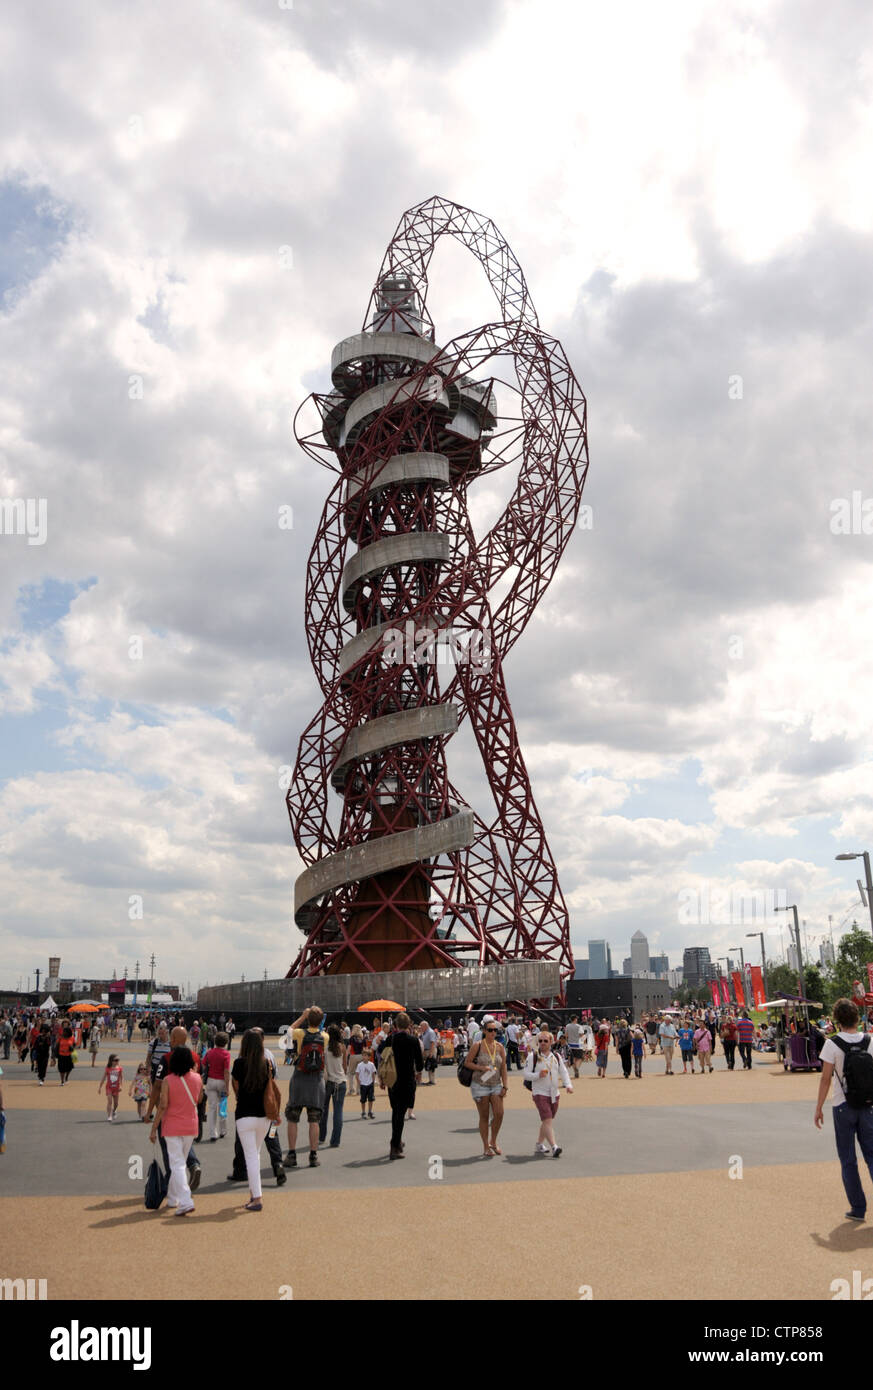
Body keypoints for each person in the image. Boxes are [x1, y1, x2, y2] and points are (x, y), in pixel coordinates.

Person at [814, 997, 873, 1221]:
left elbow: (825, 1079)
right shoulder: (869, 1041)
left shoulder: (832, 1044)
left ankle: (858, 1208)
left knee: (848, 1159)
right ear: (857, 1017)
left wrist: (818, 1107)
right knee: (872, 1155)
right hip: (868, 1105)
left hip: (842, 1106)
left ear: (837, 1019)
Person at [149, 1046, 201, 1216]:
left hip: (171, 1126)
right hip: (190, 1125)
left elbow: (163, 1105)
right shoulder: (197, 1078)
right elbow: (199, 1099)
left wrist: (154, 1127)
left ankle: (185, 1200)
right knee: (180, 1162)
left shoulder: (168, 1080)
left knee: (177, 1164)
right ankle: (173, 1198)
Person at [230, 1029, 274, 1212]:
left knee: (251, 1157)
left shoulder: (239, 1063)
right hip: (263, 1116)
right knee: (254, 1154)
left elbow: (236, 1087)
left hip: (244, 1115)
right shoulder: (266, 1063)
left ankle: (257, 1198)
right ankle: (253, 1193)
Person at [283, 1006, 328, 1169]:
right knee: (314, 1119)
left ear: (308, 1018)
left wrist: (302, 1016)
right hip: (316, 1081)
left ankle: (292, 1154)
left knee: (292, 1117)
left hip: (300, 1078)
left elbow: (289, 1030)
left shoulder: (300, 1034)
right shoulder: (325, 1036)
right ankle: (313, 1155)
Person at [378, 1013, 423, 1159]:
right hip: (407, 1080)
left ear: (395, 1025)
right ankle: (394, 1145)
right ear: (409, 1025)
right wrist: (418, 1072)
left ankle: (397, 1141)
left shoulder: (391, 1039)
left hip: (393, 1079)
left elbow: (380, 1052)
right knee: (401, 1113)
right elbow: (420, 1063)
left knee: (396, 1111)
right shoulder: (413, 1040)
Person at [524, 1030, 573, 1156]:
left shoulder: (556, 1056)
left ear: (551, 1042)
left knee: (547, 1121)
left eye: (546, 1041)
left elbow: (564, 1072)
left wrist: (568, 1085)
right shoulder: (533, 1056)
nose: (543, 1043)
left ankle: (539, 1144)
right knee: (547, 1119)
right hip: (539, 1093)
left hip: (554, 1093)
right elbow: (526, 1075)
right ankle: (554, 1146)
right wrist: (537, 1075)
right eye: (540, 1041)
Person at [465, 1019, 509, 1157]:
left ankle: (493, 1141)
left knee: (499, 1114)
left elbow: (503, 1067)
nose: (493, 1033)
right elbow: (467, 1063)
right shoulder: (477, 1046)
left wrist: (505, 1085)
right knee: (484, 1116)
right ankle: (485, 1146)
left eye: (495, 1030)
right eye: (490, 1030)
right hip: (480, 1085)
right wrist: (481, 1068)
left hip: (496, 1084)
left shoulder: (500, 1047)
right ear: (484, 1031)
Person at [319, 1024, 348, 1149]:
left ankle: (321, 1136)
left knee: (323, 1110)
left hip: (328, 1082)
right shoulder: (342, 1047)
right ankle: (335, 1140)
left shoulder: (325, 1048)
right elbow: (345, 1066)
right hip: (340, 1081)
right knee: (338, 1112)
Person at [202, 1030, 231, 1141]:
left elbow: (203, 1064)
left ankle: (212, 1134)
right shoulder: (226, 1054)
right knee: (222, 1107)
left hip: (210, 1081)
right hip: (222, 1082)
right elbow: (226, 1072)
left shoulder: (209, 1052)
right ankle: (223, 1130)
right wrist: (227, 1088)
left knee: (212, 1108)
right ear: (226, 1042)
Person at [98, 1053, 123, 1120]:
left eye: (118, 1060)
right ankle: (109, 1116)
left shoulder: (120, 1068)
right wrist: (100, 1087)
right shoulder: (108, 1068)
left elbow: (121, 1077)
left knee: (116, 1103)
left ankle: (114, 1111)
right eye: (116, 1060)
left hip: (116, 1088)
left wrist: (121, 1085)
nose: (117, 1061)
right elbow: (103, 1078)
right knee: (109, 1101)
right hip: (109, 1087)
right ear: (111, 1061)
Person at [356, 1048, 377, 1118]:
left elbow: (373, 1073)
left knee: (371, 1099)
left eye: (366, 1055)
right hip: (363, 1084)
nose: (364, 1057)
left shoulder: (371, 1064)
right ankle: (363, 1112)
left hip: (370, 1084)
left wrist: (373, 1082)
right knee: (363, 1099)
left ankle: (370, 1111)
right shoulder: (359, 1065)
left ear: (369, 1057)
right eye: (363, 1055)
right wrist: (359, 1082)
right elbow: (357, 1074)